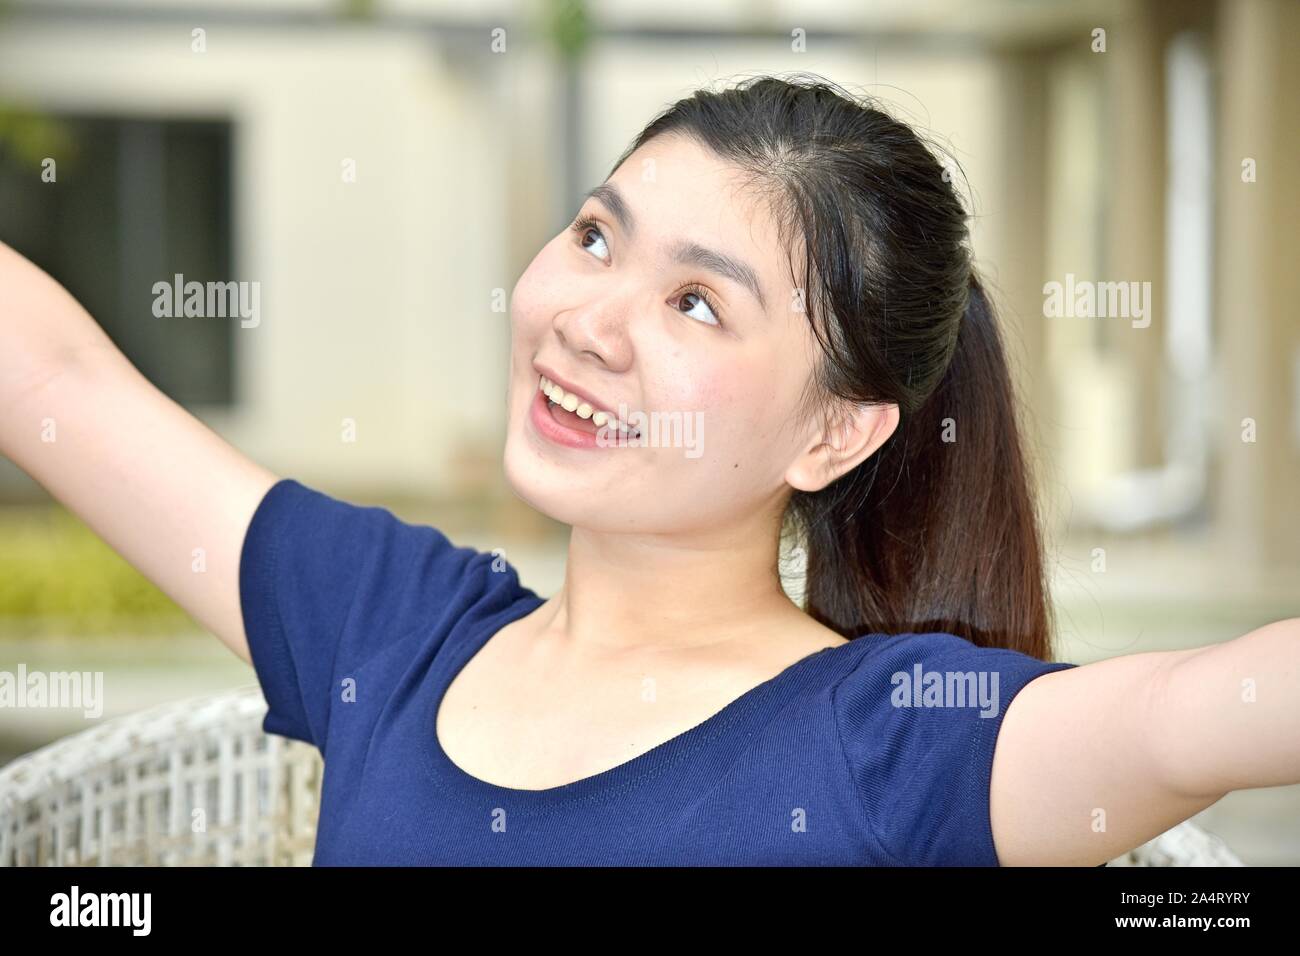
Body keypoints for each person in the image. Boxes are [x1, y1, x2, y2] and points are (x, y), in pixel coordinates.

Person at [1, 73, 1295, 866]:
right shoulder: (386, 627)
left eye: (694, 305)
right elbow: (54, 381)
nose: (589, 317)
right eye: (595, 234)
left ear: (833, 433)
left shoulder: (890, 747)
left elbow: (1211, 710)